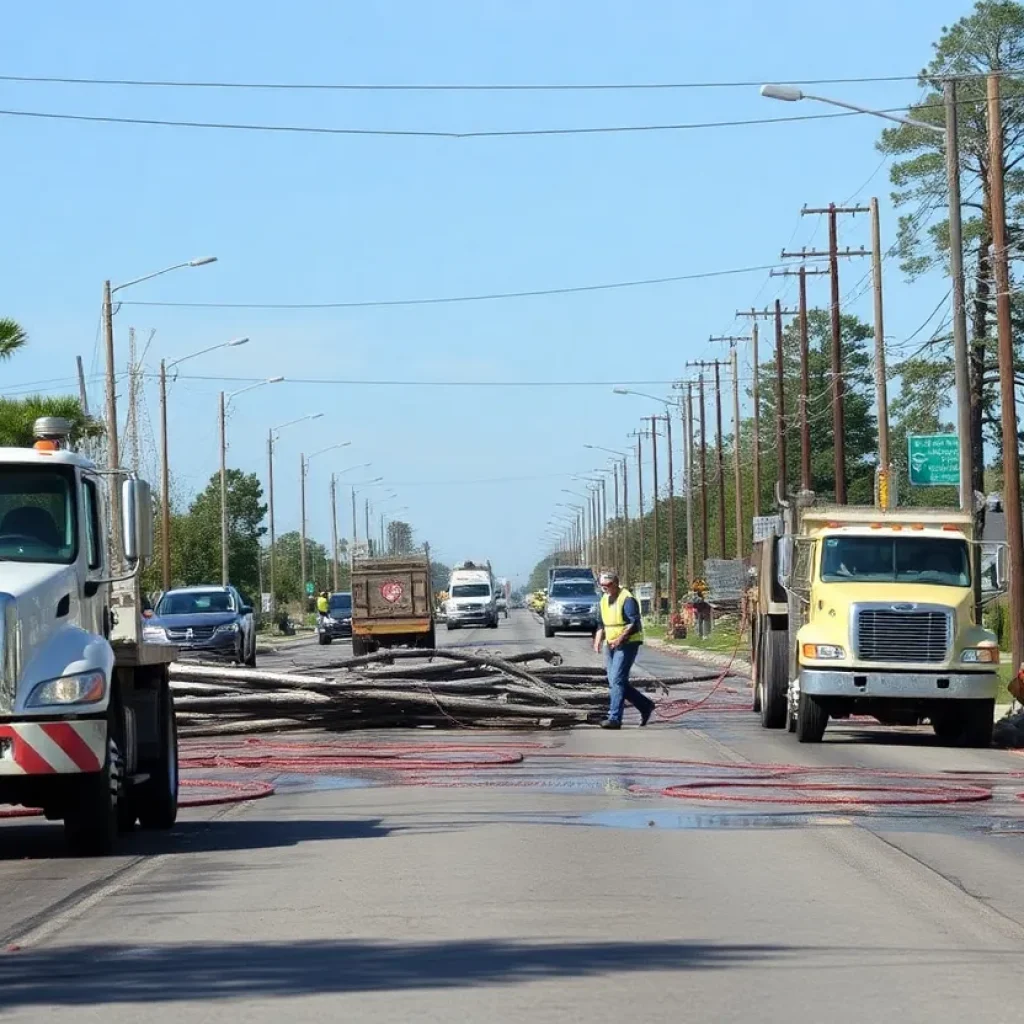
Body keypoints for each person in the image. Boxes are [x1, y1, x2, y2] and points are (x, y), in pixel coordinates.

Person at [593, 570, 654, 730]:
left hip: (627, 643)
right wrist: (598, 640)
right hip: (611, 644)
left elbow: (633, 623)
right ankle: (645, 705)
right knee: (615, 681)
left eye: (608, 585)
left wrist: (620, 639)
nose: (605, 588)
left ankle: (614, 718)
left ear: (615, 584)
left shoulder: (627, 599)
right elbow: (601, 623)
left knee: (617, 680)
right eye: (602, 586)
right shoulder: (604, 599)